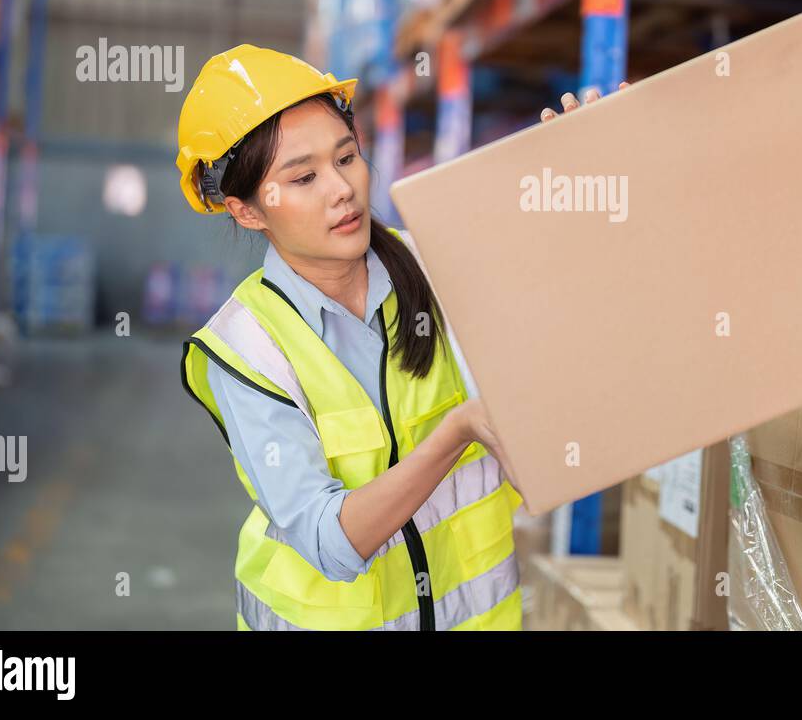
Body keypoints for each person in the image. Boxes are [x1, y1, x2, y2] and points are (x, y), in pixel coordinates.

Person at [175, 44, 612, 631]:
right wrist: (457, 431)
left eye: (347, 157)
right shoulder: (245, 348)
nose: (342, 189)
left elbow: (571, 333)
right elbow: (330, 541)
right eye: (303, 177)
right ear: (249, 211)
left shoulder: (439, 262)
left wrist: (595, 194)